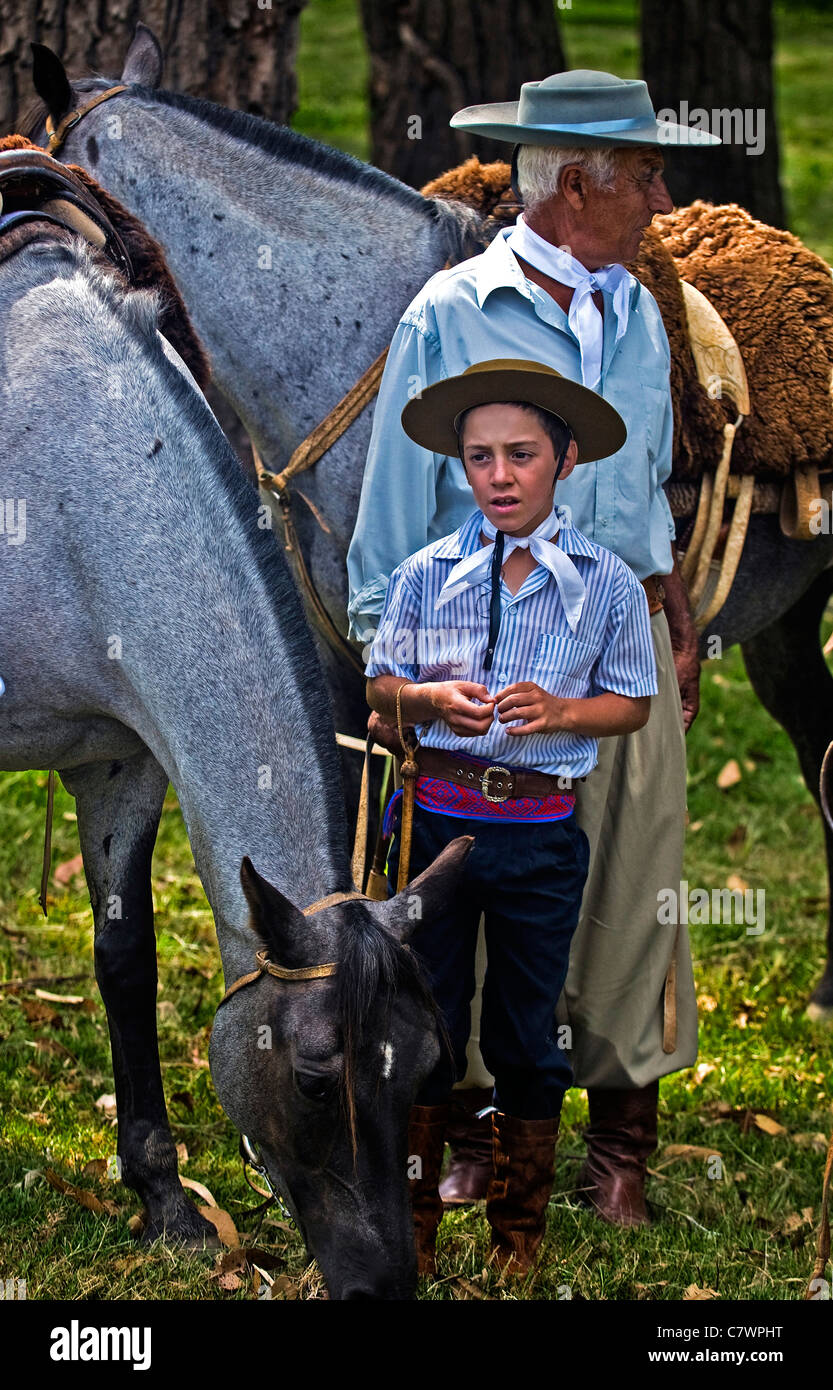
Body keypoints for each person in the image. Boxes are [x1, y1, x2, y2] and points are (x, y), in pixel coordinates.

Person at [349, 70, 720, 1226]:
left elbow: (643, 494)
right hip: (482, 674)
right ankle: (467, 1133)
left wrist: (670, 614)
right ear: (574, 185)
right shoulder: (450, 315)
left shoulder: (640, 313)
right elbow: (387, 521)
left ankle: (616, 1146)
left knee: (631, 892)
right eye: (644, 174)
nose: (662, 197)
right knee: (464, 896)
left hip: (616, 656)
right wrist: (396, 689)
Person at [365, 358, 657, 1273]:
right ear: (460, 466)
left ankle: (516, 1234)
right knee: (427, 1026)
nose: (498, 475)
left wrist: (564, 713)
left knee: (527, 1030)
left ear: (564, 460)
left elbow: (633, 702)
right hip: (435, 832)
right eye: (479, 457)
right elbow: (377, 691)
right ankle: (410, 1221)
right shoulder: (424, 575)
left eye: (520, 455)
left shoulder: (605, 583)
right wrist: (423, 699)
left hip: (538, 836)